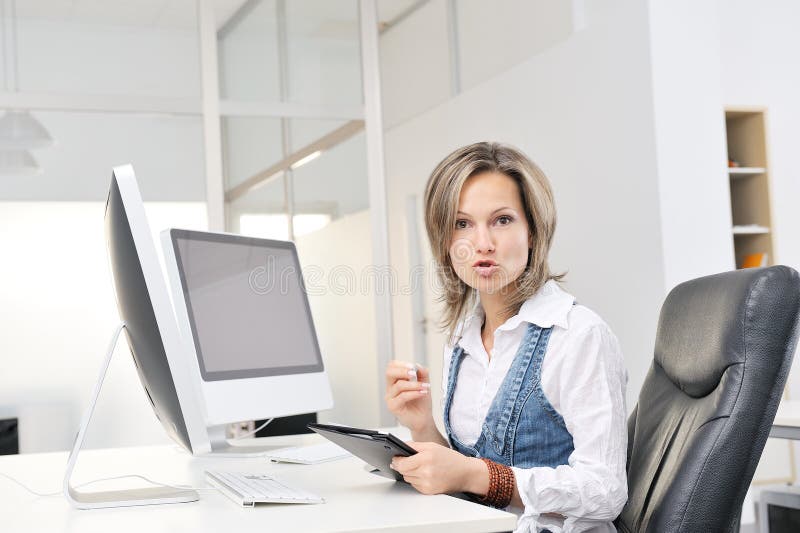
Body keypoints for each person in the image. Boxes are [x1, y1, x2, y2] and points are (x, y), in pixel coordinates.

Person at [385, 142, 628, 533]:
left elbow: (605, 491)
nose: (482, 243)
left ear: (533, 231)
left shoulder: (578, 335)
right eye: (462, 224)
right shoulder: (462, 338)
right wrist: (422, 426)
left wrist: (477, 475)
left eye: (502, 220)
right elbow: (461, 477)